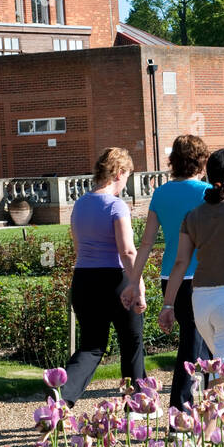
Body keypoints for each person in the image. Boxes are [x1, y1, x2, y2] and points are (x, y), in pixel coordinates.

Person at [159, 148, 224, 411]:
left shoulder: (193, 216)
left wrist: (168, 304)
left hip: (201, 302)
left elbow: (181, 263)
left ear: (209, 175)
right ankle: (204, 437)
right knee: (222, 374)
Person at [129, 134, 211, 410]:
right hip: (201, 275)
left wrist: (134, 280)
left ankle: (209, 401)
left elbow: (147, 241)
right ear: (201, 161)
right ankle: (181, 405)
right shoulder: (207, 192)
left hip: (170, 277)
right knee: (194, 341)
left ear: (173, 161)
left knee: (198, 340)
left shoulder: (161, 193)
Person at [58, 147, 144, 406]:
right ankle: (137, 403)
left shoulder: (80, 204)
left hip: (83, 278)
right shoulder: (116, 206)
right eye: (127, 175)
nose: (126, 182)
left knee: (91, 346)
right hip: (115, 280)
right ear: (119, 173)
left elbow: (77, 245)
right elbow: (127, 251)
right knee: (131, 340)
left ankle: (61, 396)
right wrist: (137, 285)